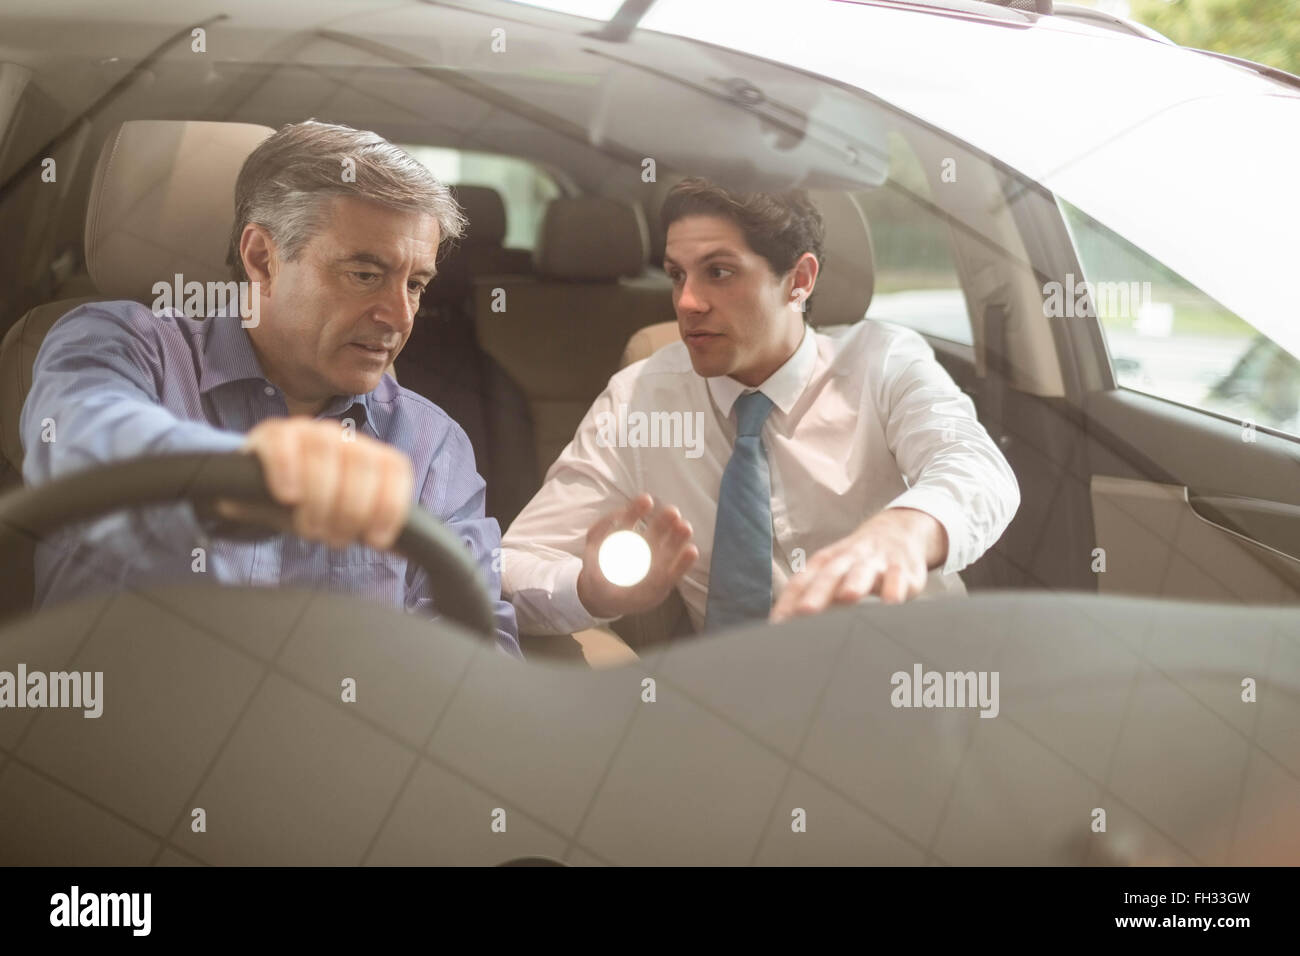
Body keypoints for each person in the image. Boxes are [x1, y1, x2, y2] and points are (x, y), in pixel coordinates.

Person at [21, 120, 520, 657]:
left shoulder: (434, 444)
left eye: (416, 284)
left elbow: (476, 655)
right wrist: (239, 478)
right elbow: (81, 450)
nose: (400, 316)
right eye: (364, 274)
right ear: (262, 258)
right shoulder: (121, 344)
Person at [501, 177, 1019, 639]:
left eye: (719, 272)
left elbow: (977, 469)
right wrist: (591, 591)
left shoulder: (883, 362)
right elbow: (509, 564)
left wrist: (904, 531)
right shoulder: (640, 400)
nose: (686, 302)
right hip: (742, 712)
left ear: (799, 280)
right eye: (677, 275)